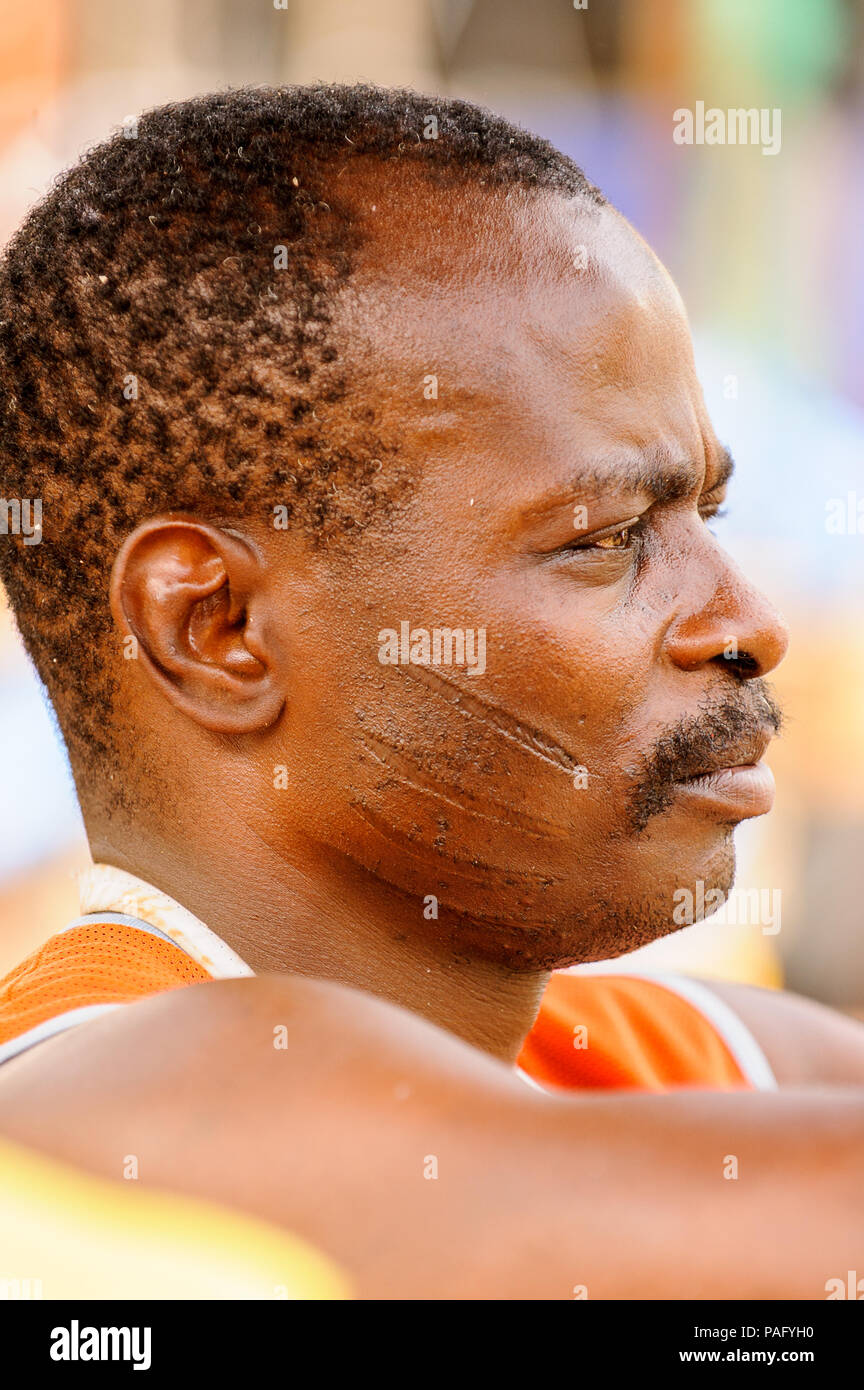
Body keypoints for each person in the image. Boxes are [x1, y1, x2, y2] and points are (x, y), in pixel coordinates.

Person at [0, 85, 861, 1299]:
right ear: (217, 628)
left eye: (705, 515)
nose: (750, 623)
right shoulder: (118, 1092)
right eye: (609, 536)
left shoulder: (615, 1055)